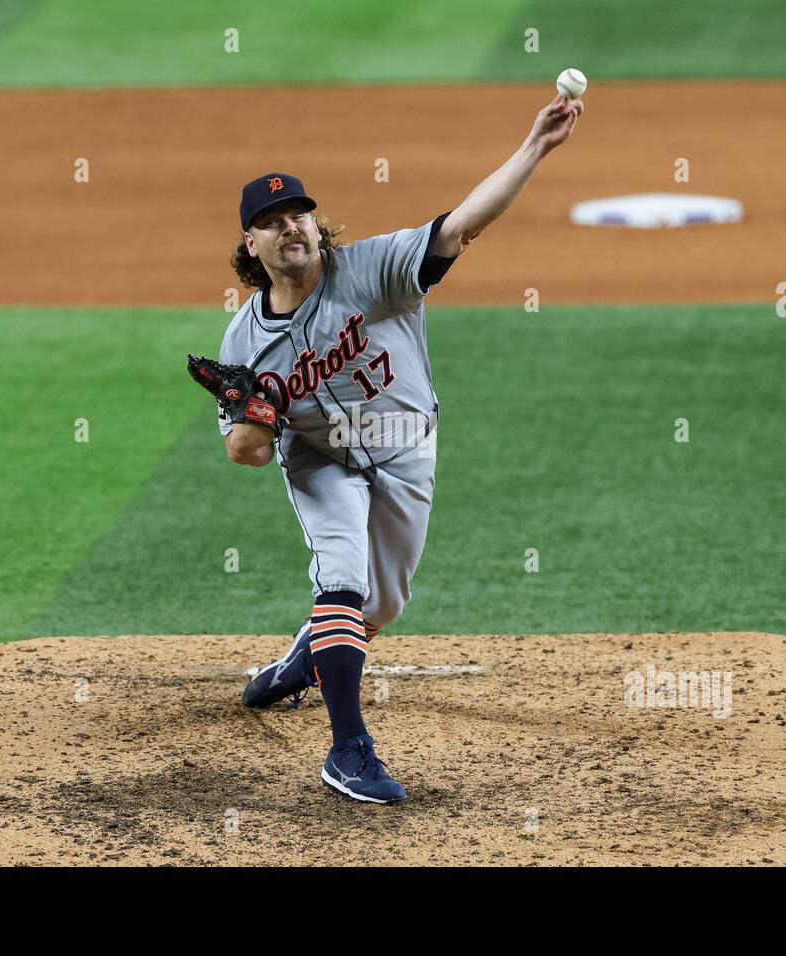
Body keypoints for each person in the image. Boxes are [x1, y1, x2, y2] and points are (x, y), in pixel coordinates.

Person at [213, 94, 583, 804]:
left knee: (382, 602)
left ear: (316, 225)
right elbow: (249, 453)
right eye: (272, 221)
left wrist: (535, 145)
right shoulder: (243, 342)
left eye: (299, 213)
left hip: (406, 448)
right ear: (252, 248)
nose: (292, 225)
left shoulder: (373, 269)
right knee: (342, 577)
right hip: (322, 463)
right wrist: (254, 417)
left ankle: (306, 657)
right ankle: (348, 751)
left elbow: (466, 221)